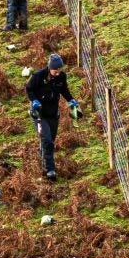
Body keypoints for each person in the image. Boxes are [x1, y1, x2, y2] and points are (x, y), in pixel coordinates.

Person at [24, 52, 82, 181]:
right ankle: (50, 170)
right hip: (39, 114)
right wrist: (34, 100)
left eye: (59, 69)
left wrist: (71, 100)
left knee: (50, 140)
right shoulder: (38, 76)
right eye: (55, 70)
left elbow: (64, 90)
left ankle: (43, 156)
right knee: (47, 141)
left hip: (53, 114)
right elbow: (29, 89)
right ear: (50, 67)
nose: (58, 72)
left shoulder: (61, 77)